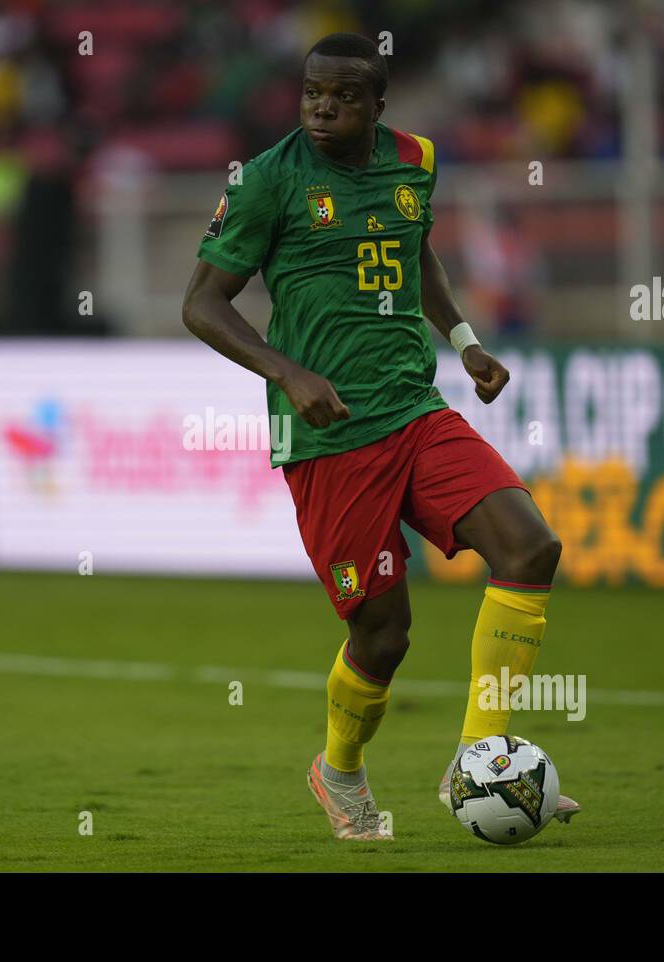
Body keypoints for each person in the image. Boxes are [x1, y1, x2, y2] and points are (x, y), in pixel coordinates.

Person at [182, 33, 580, 840]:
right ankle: (338, 772)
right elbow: (201, 304)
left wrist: (465, 341)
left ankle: (480, 755)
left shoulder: (416, 161)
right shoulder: (267, 181)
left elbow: (415, 254)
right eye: (310, 94)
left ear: (378, 104)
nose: (322, 107)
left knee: (530, 548)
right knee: (383, 634)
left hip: (414, 406)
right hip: (329, 435)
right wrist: (288, 373)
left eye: (342, 96)